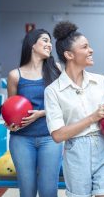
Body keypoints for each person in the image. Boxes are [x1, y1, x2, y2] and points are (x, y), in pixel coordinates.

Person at [44, 21, 104, 197]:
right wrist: (92, 118)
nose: (91, 50)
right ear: (69, 54)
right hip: (77, 153)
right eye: (85, 47)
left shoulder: (100, 82)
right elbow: (58, 135)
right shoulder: (53, 91)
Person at [6, 29, 63, 197]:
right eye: (45, 40)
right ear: (32, 44)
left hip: (50, 138)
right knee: (27, 191)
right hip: (21, 140)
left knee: (48, 191)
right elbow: (11, 108)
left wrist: (40, 113)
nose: (49, 44)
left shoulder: (56, 69)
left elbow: (65, 105)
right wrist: (10, 122)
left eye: (50, 41)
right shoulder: (15, 75)